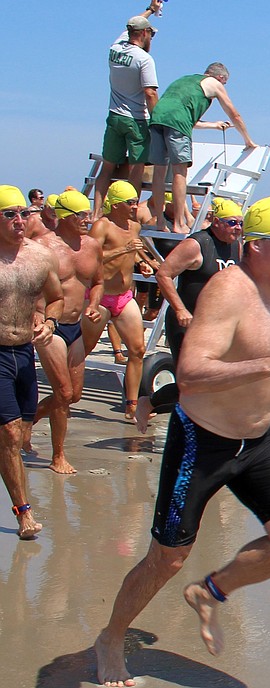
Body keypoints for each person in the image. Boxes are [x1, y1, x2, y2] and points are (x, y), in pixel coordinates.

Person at [94, 197, 270, 687]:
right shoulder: (228, 289)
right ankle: (112, 638)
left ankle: (211, 592)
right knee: (168, 558)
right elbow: (191, 373)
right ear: (256, 247)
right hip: (204, 440)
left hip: (260, 438)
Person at [132, 199, 244, 430]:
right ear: (215, 222)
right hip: (188, 323)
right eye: (232, 223)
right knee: (190, 383)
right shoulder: (197, 244)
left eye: (240, 223)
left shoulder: (235, 244)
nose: (237, 228)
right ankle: (149, 402)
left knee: (220, 380)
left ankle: (205, 427)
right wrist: (180, 308)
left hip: (218, 325)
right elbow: (164, 274)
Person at [0, 185, 63, 539]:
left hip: (23, 353)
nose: (20, 221)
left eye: (23, 213)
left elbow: (55, 297)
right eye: (10, 215)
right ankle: (24, 513)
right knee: (9, 433)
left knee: (20, 434)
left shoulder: (39, 257)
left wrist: (50, 322)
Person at [28, 190, 104, 473]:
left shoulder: (92, 246)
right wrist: (35, 318)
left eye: (88, 214)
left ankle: (30, 418)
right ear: (66, 217)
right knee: (62, 392)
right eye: (82, 215)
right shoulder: (41, 246)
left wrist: (94, 304)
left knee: (74, 395)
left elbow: (98, 282)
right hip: (50, 325)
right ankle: (58, 456)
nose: (88, 219)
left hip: (76, 326)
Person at [149, 62, 257, 233]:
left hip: (156, 119)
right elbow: (234, 114)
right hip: (177, 123)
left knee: (159, 173)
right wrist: (248, 140)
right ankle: (179, 223)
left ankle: (160, 222)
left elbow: (182, 118)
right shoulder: (214, 84)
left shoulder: (186, 80)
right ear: (220, 78)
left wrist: (214, 125)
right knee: (180, 172)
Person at [81, 181, 152, 419]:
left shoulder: (134, 226)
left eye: (135, 202)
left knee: (138, 350)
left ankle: (132, 405)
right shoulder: (102, 226)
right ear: (116, 204)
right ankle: (68, 394)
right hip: (99, 297)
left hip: (124, 296)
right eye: (130, 203)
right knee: (84, 350)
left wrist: (141, 263)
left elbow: (132, 250)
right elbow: (88, 257)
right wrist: (123, 251)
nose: (134, 207)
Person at [94, 0, 163, 216]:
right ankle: (130, 213)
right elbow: (150, 92)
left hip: (114, 116)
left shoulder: (115, 48)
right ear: (144, 34)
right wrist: (158, 121)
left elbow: (130, 24)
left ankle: (96, 213)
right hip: (136, 119)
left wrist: (150, 10)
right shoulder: (144, 59)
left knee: (107, 167)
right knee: (136, 168)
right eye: (151, 34)